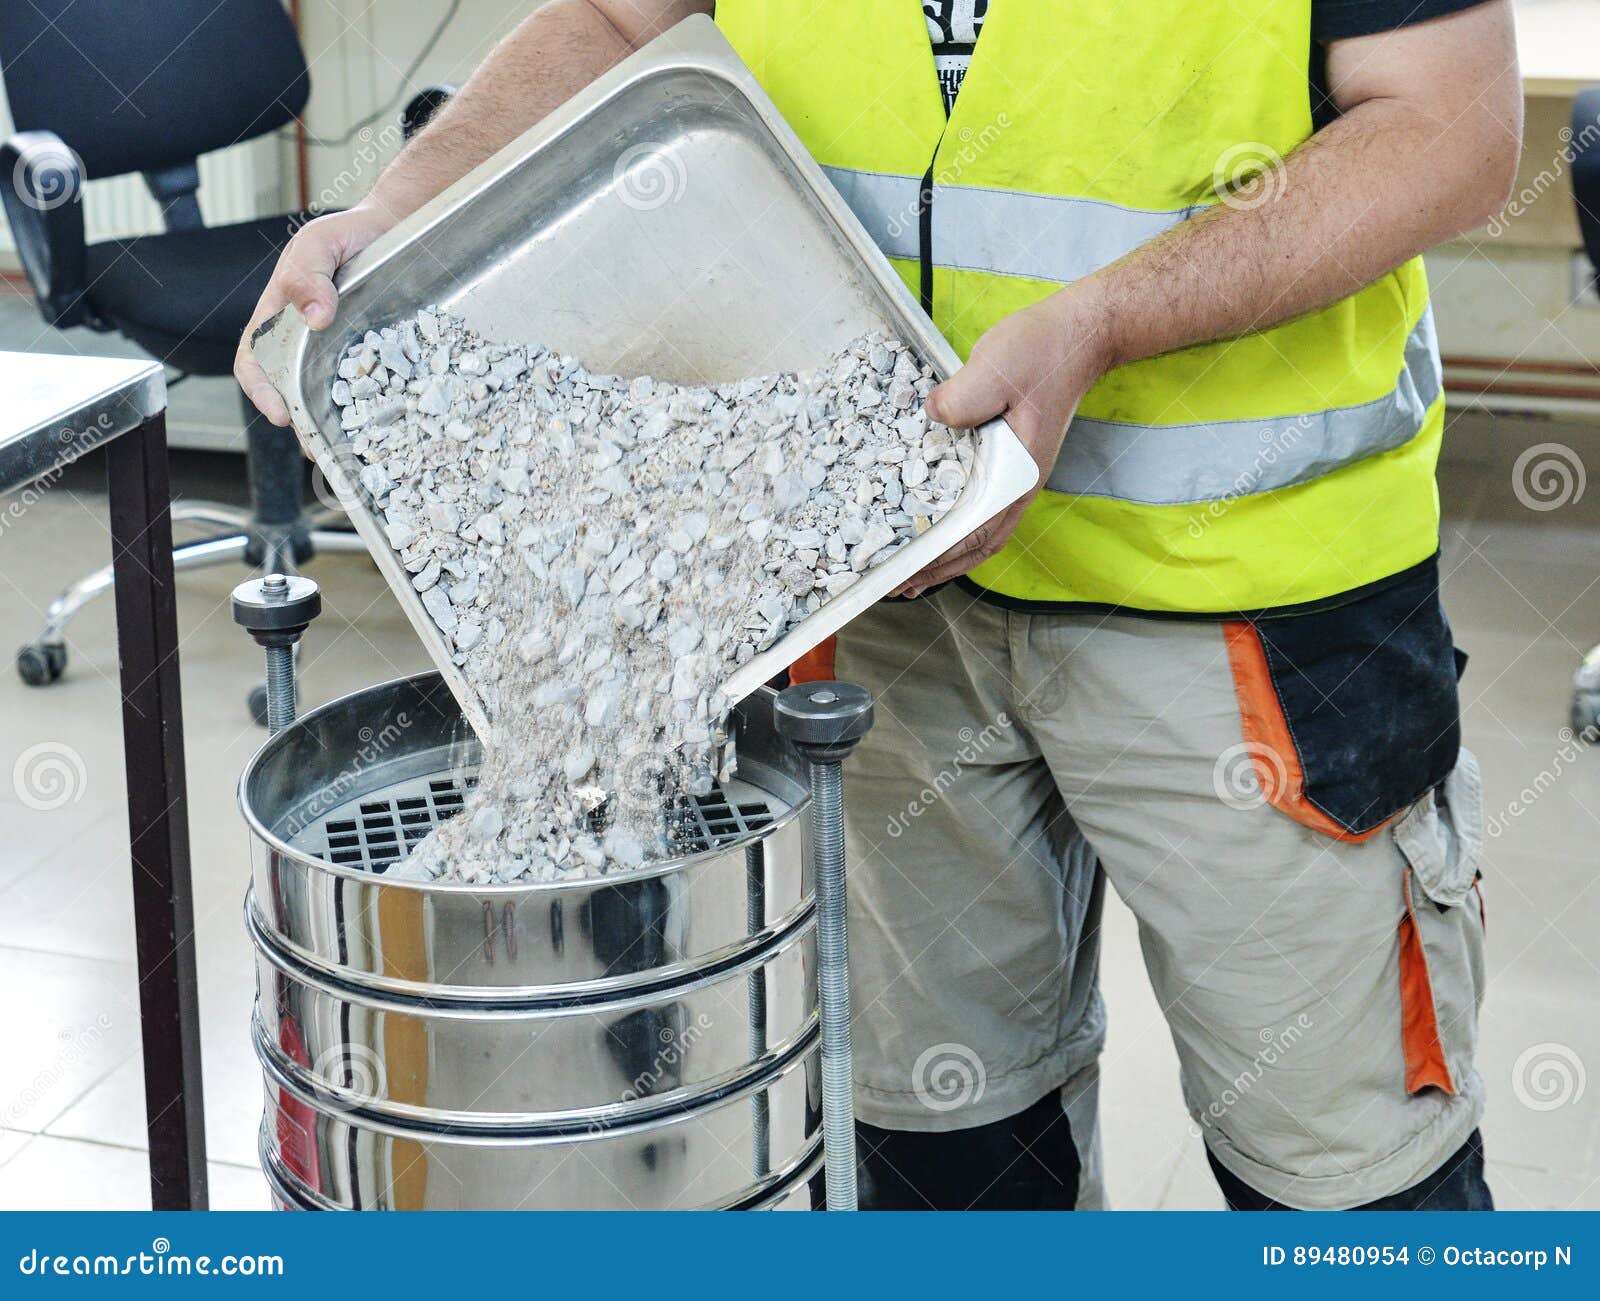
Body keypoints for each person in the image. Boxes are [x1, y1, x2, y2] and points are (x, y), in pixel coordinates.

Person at [237, 0, 1522, 1211]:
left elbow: (1448, 130)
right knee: (936, 1152)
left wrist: (1103, 322)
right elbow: (620, 17)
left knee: (1349, 1173)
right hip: (875, 590)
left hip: (1247, 606)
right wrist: (400, 206)